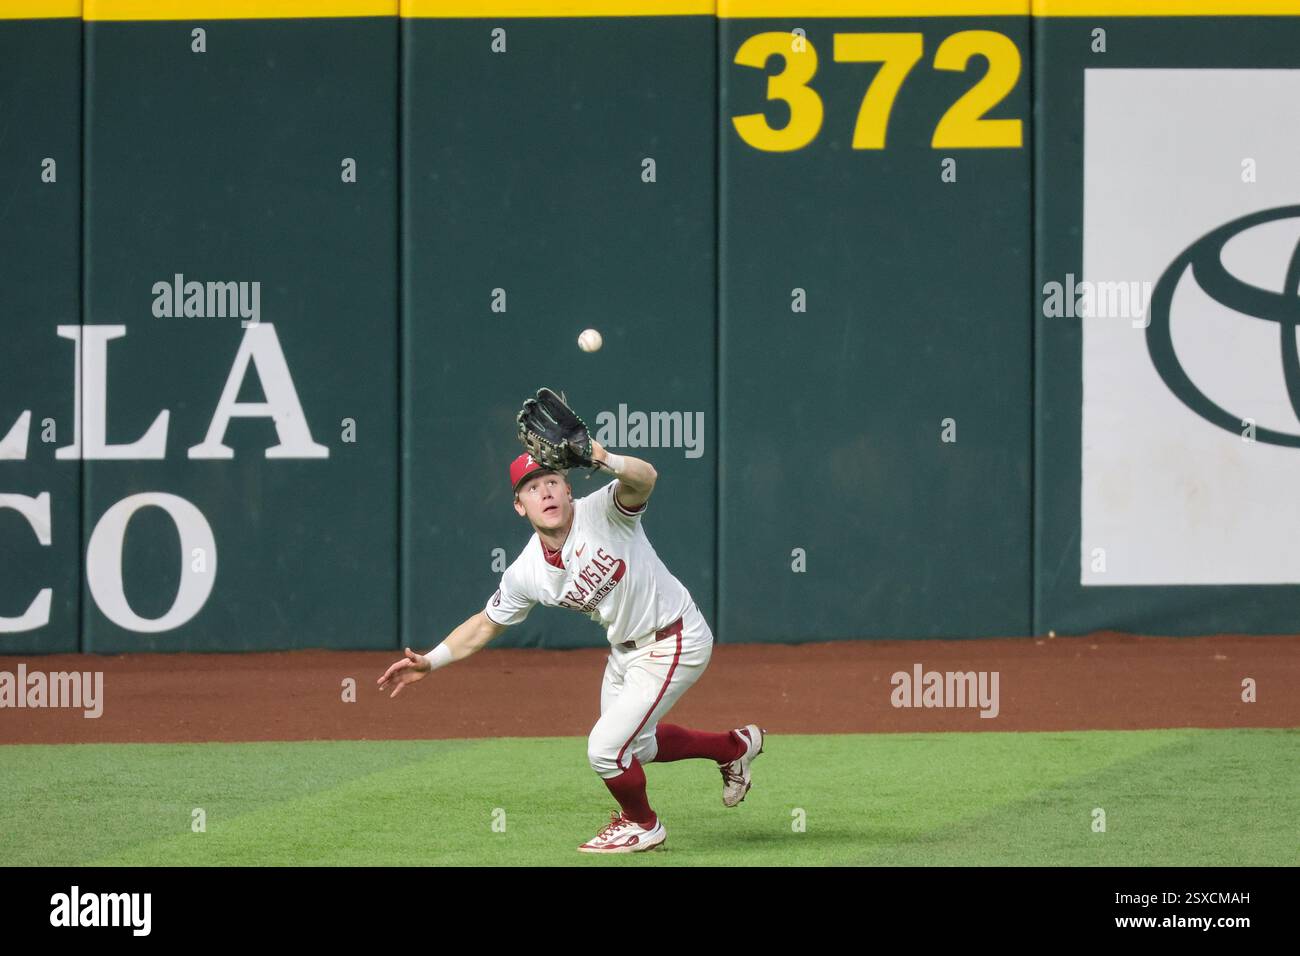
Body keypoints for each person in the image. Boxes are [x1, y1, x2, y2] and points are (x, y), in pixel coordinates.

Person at [378, 439, 765, 853]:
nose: (544, 491)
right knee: (638, 747)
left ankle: (642, 824)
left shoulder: (603, 512)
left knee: (605, 749)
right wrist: (431, 662)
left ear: (568, 489)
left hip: (675, 638)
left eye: (551, 480)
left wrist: (605, 459)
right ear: (519, 506)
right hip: (624, 651)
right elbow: (486, 624)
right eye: (531, 487)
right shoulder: (527, 571)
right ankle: (735, 747)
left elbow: (646, 478)